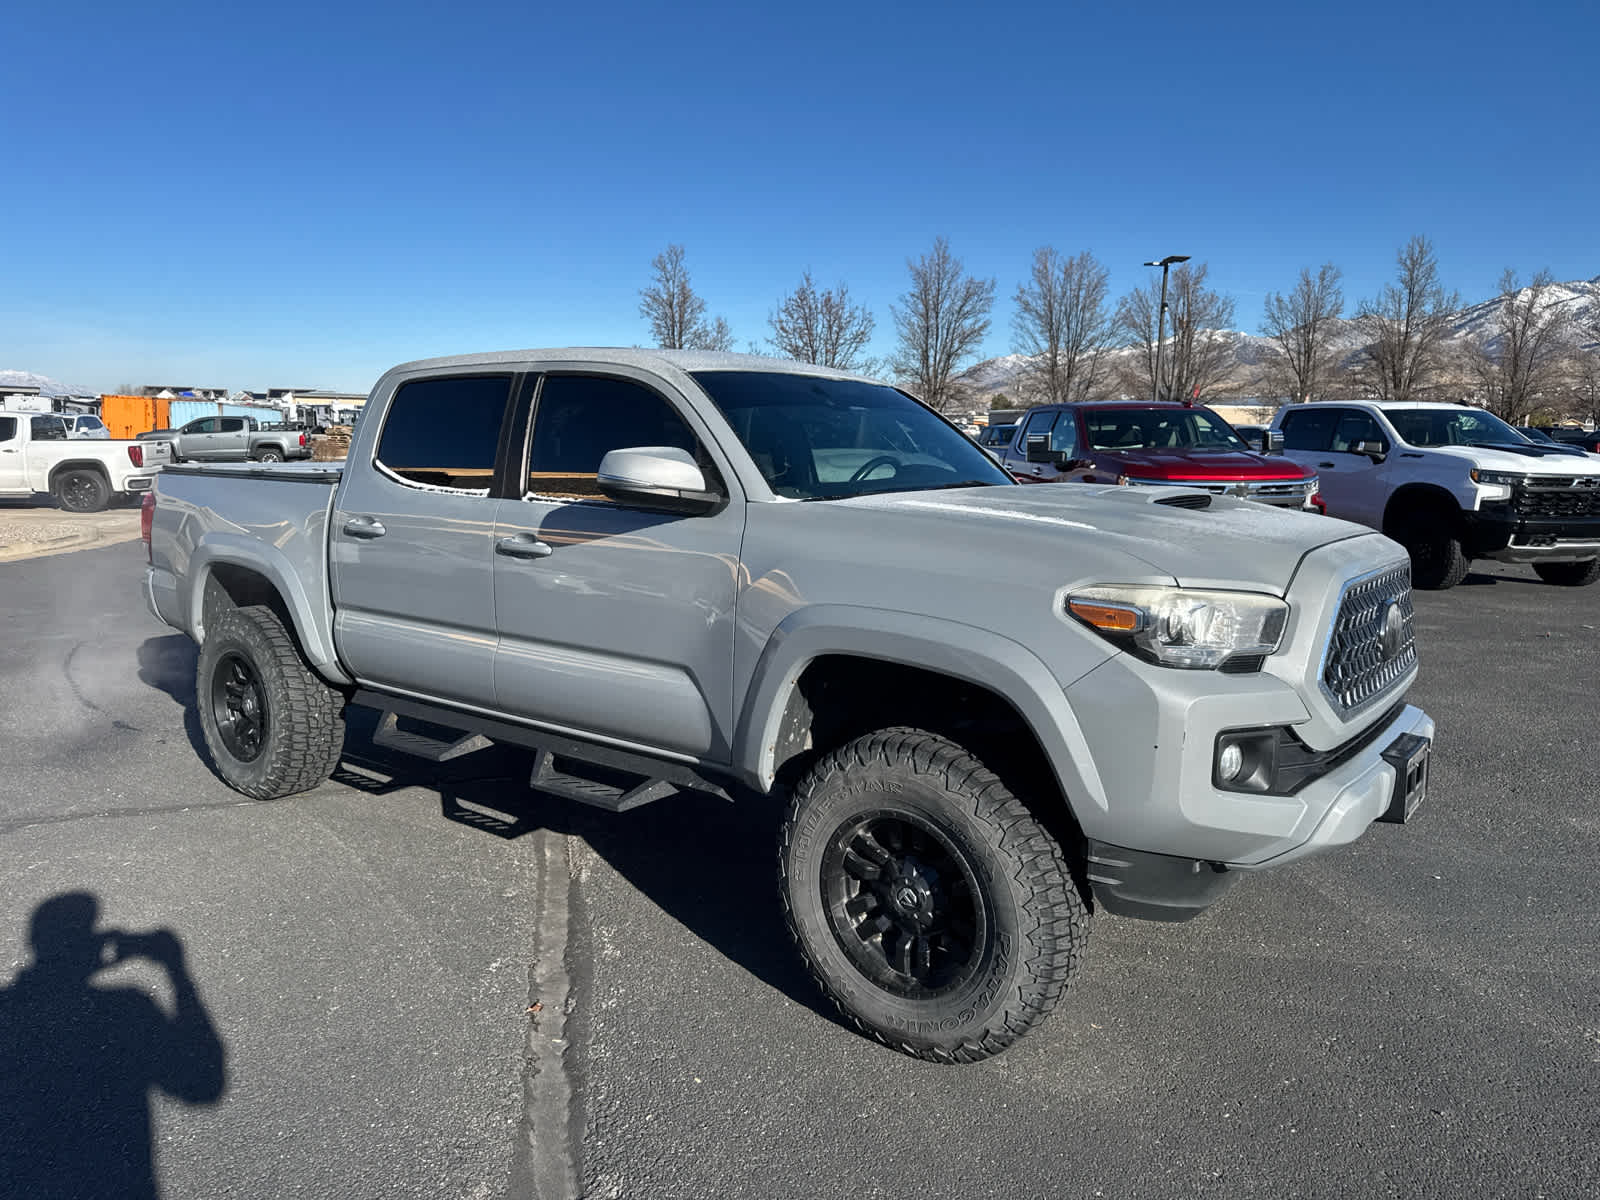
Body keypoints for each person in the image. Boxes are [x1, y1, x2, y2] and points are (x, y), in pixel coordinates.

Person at [0, 892, 226, 1200]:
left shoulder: (7, 1011)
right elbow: (203, 1083)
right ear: (90, 944)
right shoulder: (126, 1012)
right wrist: (177, 970)